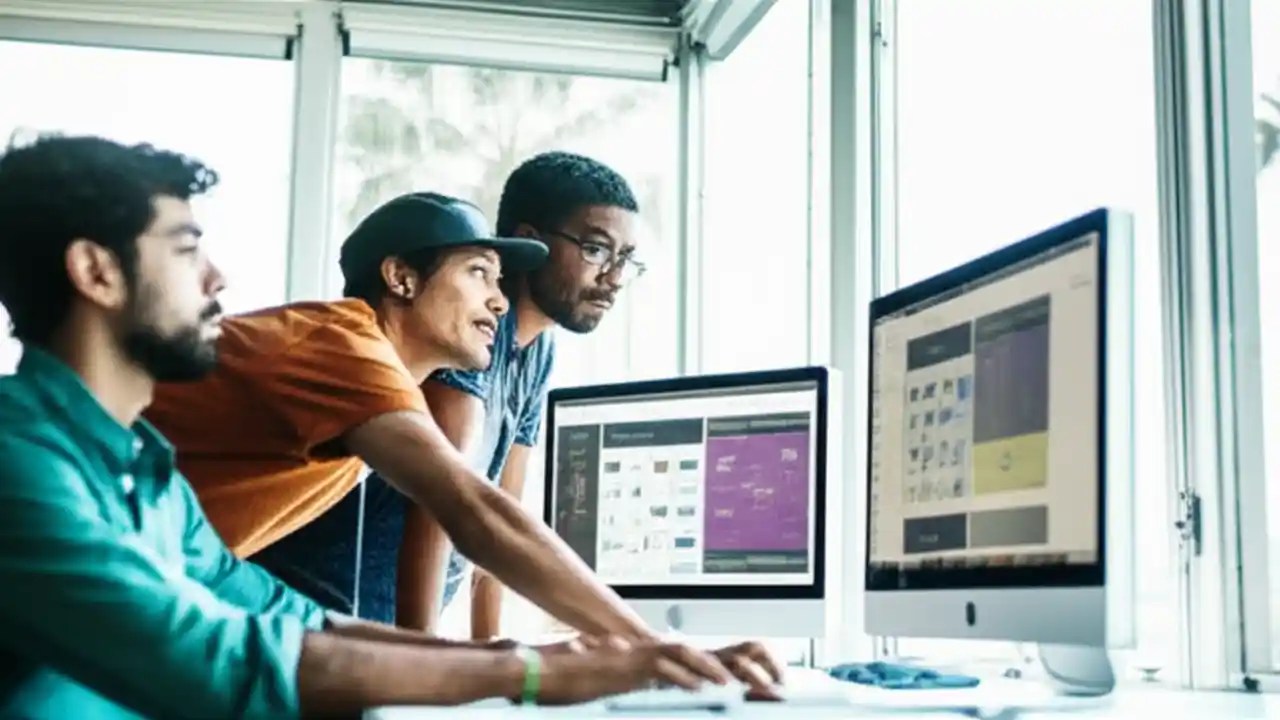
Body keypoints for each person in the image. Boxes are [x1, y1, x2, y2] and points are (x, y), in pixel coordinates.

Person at [0, 134, 765, 718]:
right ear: (95, 272)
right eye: (186, 249)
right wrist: (540, 671)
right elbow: (230, 655)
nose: (219, 279)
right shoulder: (18, 463)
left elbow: (284, 615)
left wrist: (531, 658)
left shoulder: (144, 468)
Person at [140, 186, 781, 689]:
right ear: (401, 278)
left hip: (182, 585)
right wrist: (655, 648)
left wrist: (503, 659)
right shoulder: (343, 342)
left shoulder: (370, 383)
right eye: (479, 272)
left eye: (500, 281)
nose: (500, 302)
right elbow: (473, 509)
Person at [258, 152, 649, 638]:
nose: (612, 277)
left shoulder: (533, 352)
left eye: (625, 259)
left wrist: (489, 649)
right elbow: (464, 512)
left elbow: (502, 515)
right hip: (316, 626)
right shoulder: (459, 337)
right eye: (595, 249)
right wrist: (425, 661)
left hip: (367, 640)